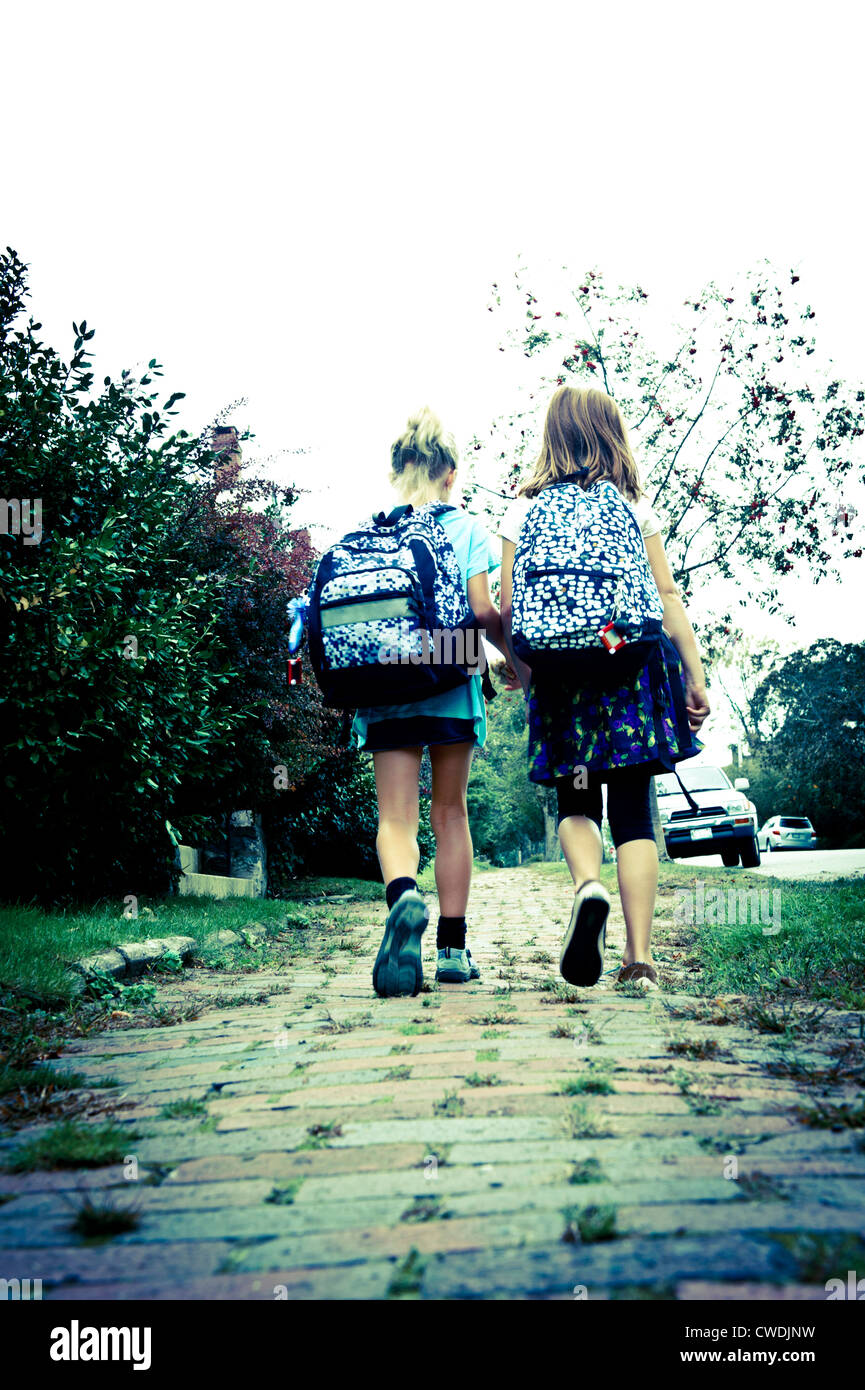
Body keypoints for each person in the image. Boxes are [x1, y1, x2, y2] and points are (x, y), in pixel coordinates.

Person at [499, 386, 710, 990]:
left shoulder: (523, 512)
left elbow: (513, 607)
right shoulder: (631, 508)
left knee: (576, 800)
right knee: (635, 812)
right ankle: (639, 959)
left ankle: (588, 886)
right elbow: (667, 599)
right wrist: (693, 676)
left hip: (564, 677)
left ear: (552, 437)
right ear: (610, 434)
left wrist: (528, 672)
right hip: (628, 665)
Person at [355, 408, 508, 997]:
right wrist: (511, 659)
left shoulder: (374, 531)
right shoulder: (466, 527)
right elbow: (483, 611)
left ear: (399, 473)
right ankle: (451, 950)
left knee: (396, 818)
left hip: (386, 683)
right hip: (449, 679)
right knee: (450, 815)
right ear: (450, 473)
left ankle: (403, 899)